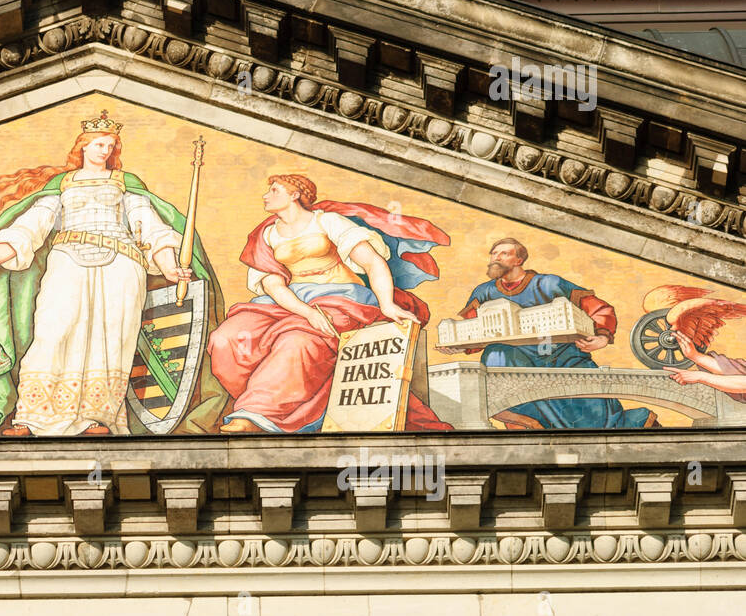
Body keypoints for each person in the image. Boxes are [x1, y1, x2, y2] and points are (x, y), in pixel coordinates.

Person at [0, 111, 227, 436]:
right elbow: (30, 228)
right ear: (83, 147)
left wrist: (170, 265)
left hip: (121, 266)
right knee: (52, 331)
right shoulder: (61, 187)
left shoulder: (126, 186)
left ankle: (96, 418)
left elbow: (151, 228)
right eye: (99, 144)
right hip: (68, 262)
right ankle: (30, 418)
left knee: (110, 338)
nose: (105, 150)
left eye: (110, 145)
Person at [207, 174, 451, 433]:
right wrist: (307, 312)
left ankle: (256, 414)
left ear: (295, 195)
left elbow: (372, 262)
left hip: (341, 297)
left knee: (299, 342)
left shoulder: (327, 221)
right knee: (227, 338)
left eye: (275, 190)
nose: (266, 196)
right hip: (289, 303)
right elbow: (273, 285)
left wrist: (387, 304)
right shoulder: (266, 235)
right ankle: (281, 408)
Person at [452, 237, 657, 428]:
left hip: (562, 357)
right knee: (496, 354)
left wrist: (602, 337)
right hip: (519, 362)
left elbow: (598, 309)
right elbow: (474, 330)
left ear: (519, 259)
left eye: (503, 253)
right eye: (493, 253)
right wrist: (456, 344)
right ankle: (524, 419)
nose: (495, 257)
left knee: (592, 418)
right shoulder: (484, 292)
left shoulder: (549, 284)